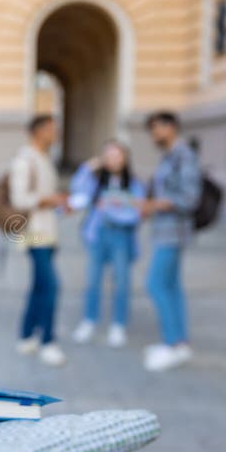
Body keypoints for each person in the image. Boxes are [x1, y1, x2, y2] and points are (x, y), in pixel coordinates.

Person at [138, 111, 201, 372]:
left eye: (158, 127)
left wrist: (153, 205)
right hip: (166, 230)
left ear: (172, 127)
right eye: (151, 128)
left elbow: (189, 197)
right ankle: (180, 343)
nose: (154, 133)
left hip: (173, 231)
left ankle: (171, 343)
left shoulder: (183, 155)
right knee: (172, 286)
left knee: (155, 284)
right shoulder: (170, 156)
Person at [70, 140, 145, 348]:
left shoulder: (134, 184)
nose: (113, 160)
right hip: (97, 236)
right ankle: (89, 321)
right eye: (109, 156)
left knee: (121, 282)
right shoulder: (96, 182)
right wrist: (87, 168)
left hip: (121, 236)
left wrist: (113, 208)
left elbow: (136, 213)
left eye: (118, 155)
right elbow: (77, 191)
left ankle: (118, 325)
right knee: (92, 280)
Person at [10, 114, 69, 367]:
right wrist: (51, 200)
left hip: (48, 231)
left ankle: (25, 336)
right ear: (38, 131)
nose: (55, 133)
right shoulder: (25, 160)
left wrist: (59, 203)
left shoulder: (45, 159)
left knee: (39, 286)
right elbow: (20, 199)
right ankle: (48, 341)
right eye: (51, 129)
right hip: (34, 234)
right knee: (52, 286)